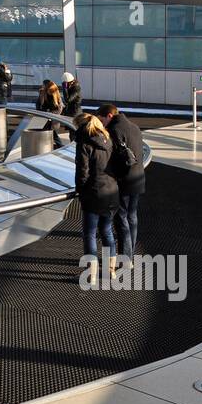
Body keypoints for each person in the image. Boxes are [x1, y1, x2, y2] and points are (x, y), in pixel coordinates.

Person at [74, 113, 119, 281]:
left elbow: (82, 172)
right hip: (112, 191)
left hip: (93, 193)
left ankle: (91, 274)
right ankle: (110, 271)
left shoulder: (85, 143)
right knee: (107, 231)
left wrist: (80, 190)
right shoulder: (108, 140)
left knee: (90, 234)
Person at [98, 103, 145, 262]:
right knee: (132, 216)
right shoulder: (134, 127)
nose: (101, 124)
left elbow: (114, 158)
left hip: (124, 181)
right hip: (138, 178)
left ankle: (126, 256)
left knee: (121, 218)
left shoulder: (114, 130)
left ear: (109, 116)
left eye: (102, 120)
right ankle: (130, 253)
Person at [37, 78, 63, 146]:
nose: (49, 92)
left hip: (54, 120)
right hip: (45, 118)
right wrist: (44, 111)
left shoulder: (56, 97)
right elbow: (39, 106)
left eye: (50, 91)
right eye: (48, 91)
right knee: (45, 135)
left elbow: (59, 110)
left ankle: (60, 146)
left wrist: (51, 113)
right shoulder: (43, 94)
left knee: (54, 135)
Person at [60, 71, 82, 145]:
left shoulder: (76, 87)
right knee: (71, 133)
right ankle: (73, 146)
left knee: (74, 132)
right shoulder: (71, 86)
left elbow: (68, 100)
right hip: (70, 112)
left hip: (75, 113)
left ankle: (74, 147)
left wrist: (65, 89)